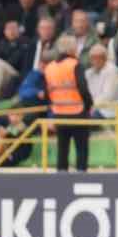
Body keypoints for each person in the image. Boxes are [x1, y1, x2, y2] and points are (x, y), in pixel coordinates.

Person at [44, 40, 93, 171]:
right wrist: (89, 105)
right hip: (78, 112)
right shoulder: (75, 65)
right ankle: (81, 175)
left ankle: (61, 176)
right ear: (72, 49)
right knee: (81, 148)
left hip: (59, 113)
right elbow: (83, 88)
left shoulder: (50, 67)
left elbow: (47, 92)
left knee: (62, 148)